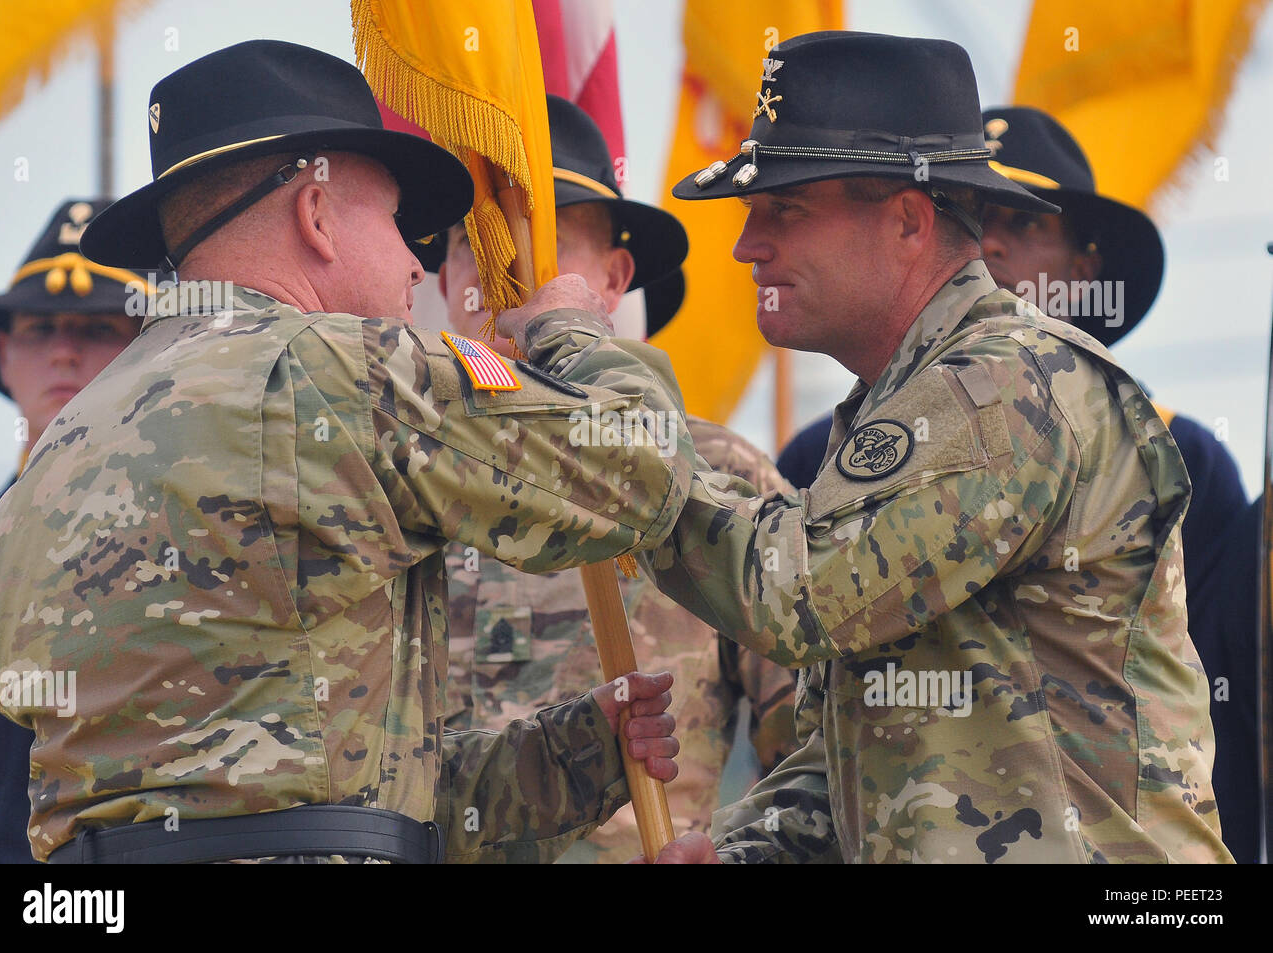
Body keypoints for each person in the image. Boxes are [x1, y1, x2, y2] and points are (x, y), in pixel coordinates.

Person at [496, 30, 1231, 863]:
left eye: (786, 210)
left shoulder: (1004, 388)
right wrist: (743, 855)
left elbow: (792, 596)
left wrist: (585, 358)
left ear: (910, 221)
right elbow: (870, 757)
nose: (747, 245)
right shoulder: (911, 402)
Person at [0, 40, 688, 864]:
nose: (419, 267)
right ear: (314, 213)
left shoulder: (56, 451)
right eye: (393, 221)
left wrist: (575, 754)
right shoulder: (344, 372)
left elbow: (300, 784)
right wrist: (570, 325)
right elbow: (645, 470)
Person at [773, 106, 1258, 862]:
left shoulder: (1184, 452)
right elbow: (820, 708)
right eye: (969, 214)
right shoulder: (824, 451)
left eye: (1022, 222)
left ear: (1084, 267)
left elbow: (1224, 682)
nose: (990, 240)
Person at [433, 96, 799, 863]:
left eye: (545, 248)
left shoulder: (722, 476)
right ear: (442, 275)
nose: (508, 285)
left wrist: (725, 855)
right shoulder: (398, 476)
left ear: (613, 278)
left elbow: (815, 748)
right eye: (480, 247)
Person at [0, 198, 144, 863]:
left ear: (149, 351)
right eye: (41, 331)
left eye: (95, 329)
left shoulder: (210, 530)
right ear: (5, 353)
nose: (65, 352)